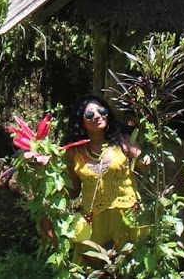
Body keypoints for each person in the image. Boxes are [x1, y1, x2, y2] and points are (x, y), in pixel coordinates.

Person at [64, 96, 145, 264]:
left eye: (101, 111)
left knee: (127, 267)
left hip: (126, 217)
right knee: (90, 268)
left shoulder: (123, 142)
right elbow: (73, 190)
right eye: (89, 114)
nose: (97, 116)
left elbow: (142, 161)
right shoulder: (74, 153)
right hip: (94, 221)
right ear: (81, 121)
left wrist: (144, 160)